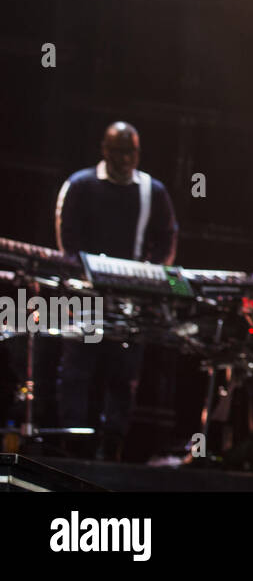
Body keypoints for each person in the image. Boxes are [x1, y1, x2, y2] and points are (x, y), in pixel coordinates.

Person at [55, 122, 178, 460]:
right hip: (85, 298)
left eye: (131, 152)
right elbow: (68, 241)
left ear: (138, 154)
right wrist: (84, 275)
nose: (124, 159)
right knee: (77, 371)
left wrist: (149, 275)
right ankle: (72, 447)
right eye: (117, 150)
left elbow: (167, 236)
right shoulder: (81, 185)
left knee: (123, 376)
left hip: (130, 301)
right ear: (104, 150)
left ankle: (112, 448)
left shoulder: (153, 191)